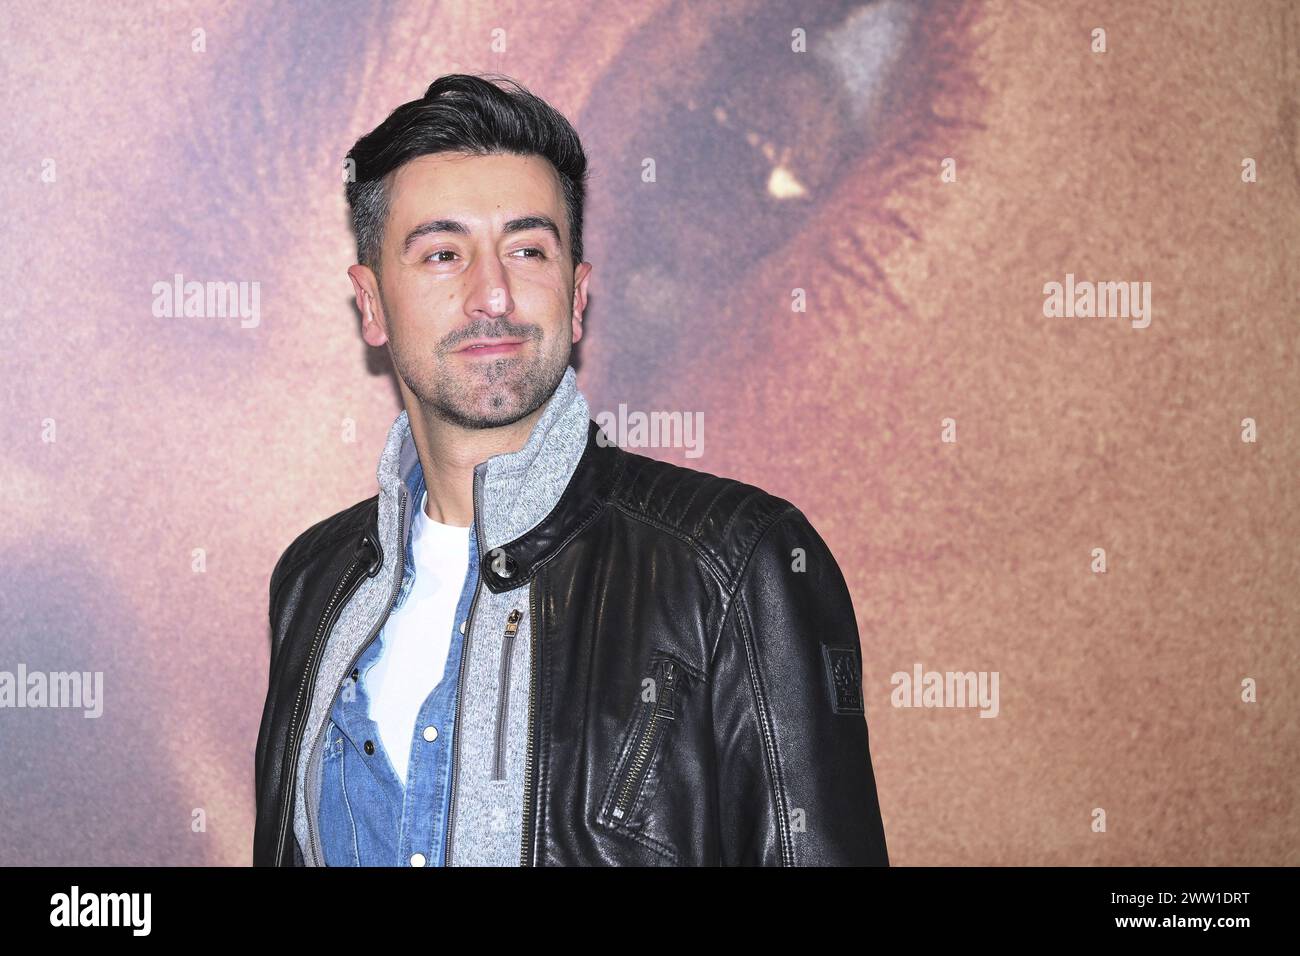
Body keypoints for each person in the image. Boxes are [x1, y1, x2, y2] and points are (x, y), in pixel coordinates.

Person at [253, 72, 888, 866]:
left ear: (578, 295)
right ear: (371, 304)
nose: (492, 294)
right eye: (442, 254)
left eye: (526, 249)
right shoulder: (315, 582)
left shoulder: (737, 563)